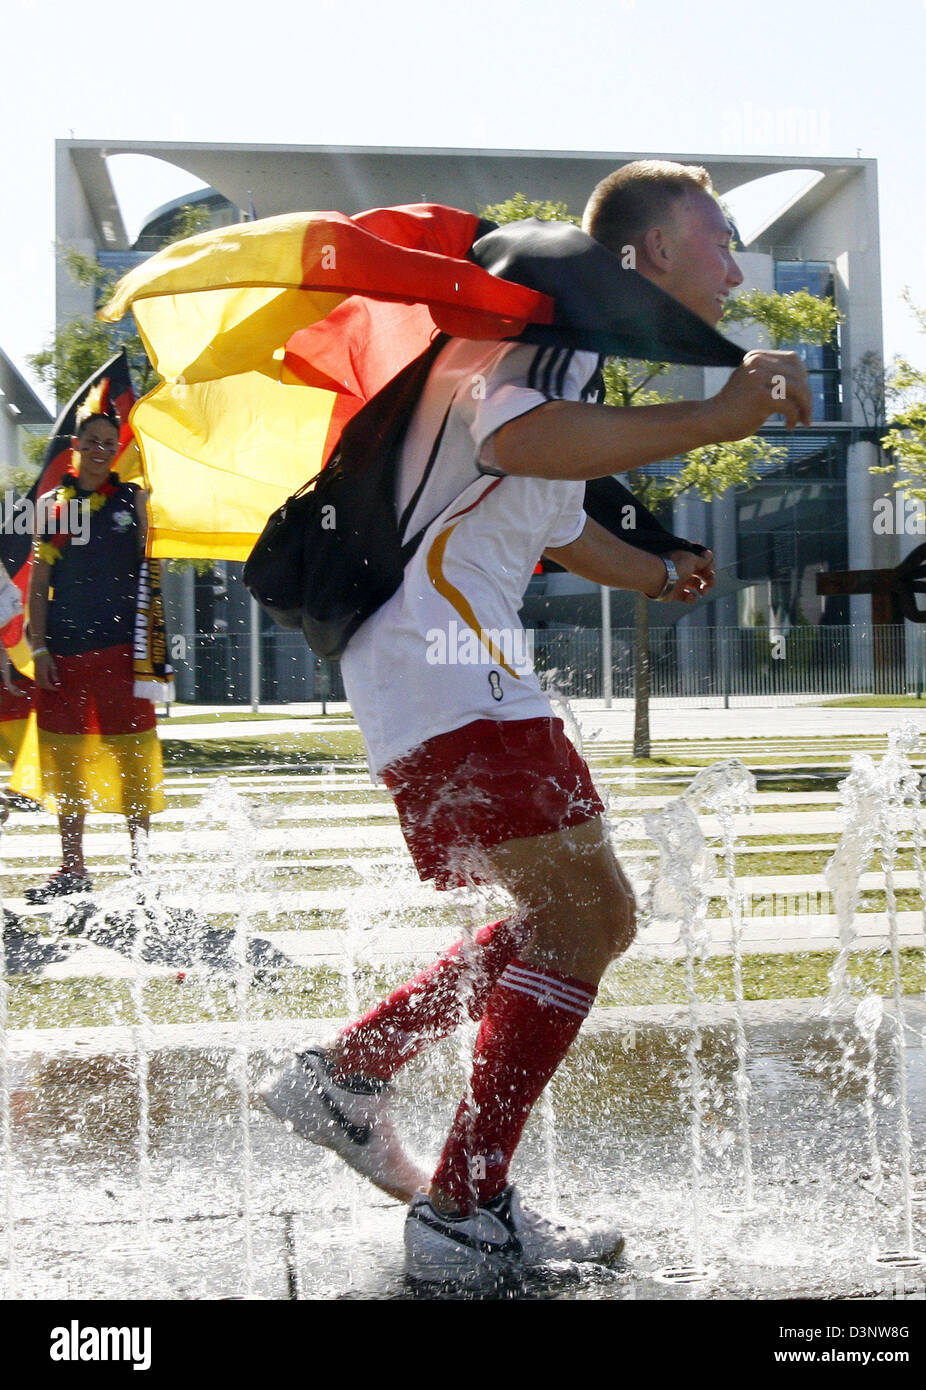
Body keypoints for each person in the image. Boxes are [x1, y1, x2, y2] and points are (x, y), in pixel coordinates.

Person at [260, 160, 811, 1287]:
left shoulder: (561, 350)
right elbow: (519, 441)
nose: (734, 260)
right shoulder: (540, 333)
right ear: (649, 253)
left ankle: (351, 1077)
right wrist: (714, 415)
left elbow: (552, 520)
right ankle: (463, 1207)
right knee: (584, 913)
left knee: (583, 915)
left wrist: (655, 576)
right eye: (717, 234)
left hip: (453, 664)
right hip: (448, 664)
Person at [23, 411, 165, 903]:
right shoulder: (50, 506)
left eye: (110, 441)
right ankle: (72, 865)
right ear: (77, 446)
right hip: (61, 653)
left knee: (132, 758)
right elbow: (38, 584)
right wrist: (38, 645)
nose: (102, 449)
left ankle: (141, 868)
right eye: (93, 440)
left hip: (122, 652)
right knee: (65, 762)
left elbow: (157, 557)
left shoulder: (135, 499)